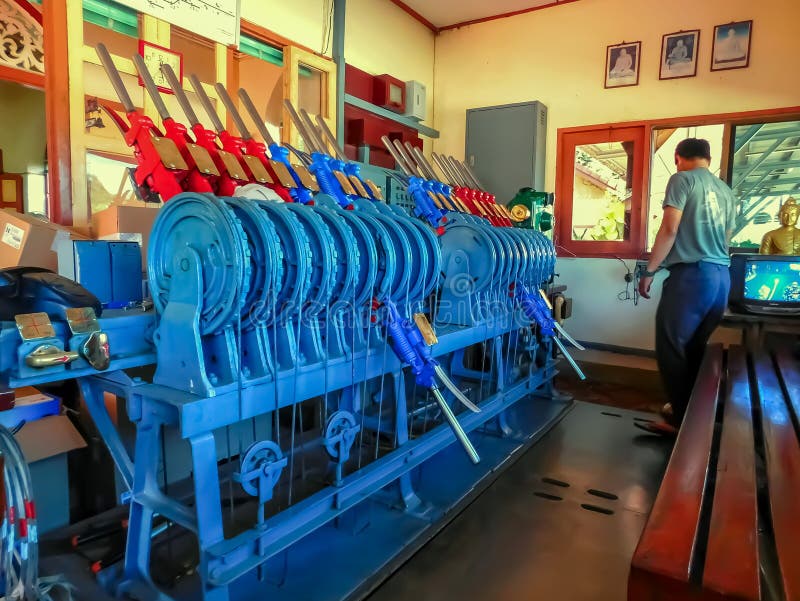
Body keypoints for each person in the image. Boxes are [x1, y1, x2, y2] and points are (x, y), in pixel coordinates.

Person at [637, 138, 737, 436]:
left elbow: (669, 229)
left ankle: (680, 421)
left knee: (671, 348)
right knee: (694, 349)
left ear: (679, 157)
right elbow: (727, 237)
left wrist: (650, 270)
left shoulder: (681, 180)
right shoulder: (726, 191)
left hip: (693, 278)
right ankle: (693, 417)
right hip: (721, 278)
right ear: (708, 158)